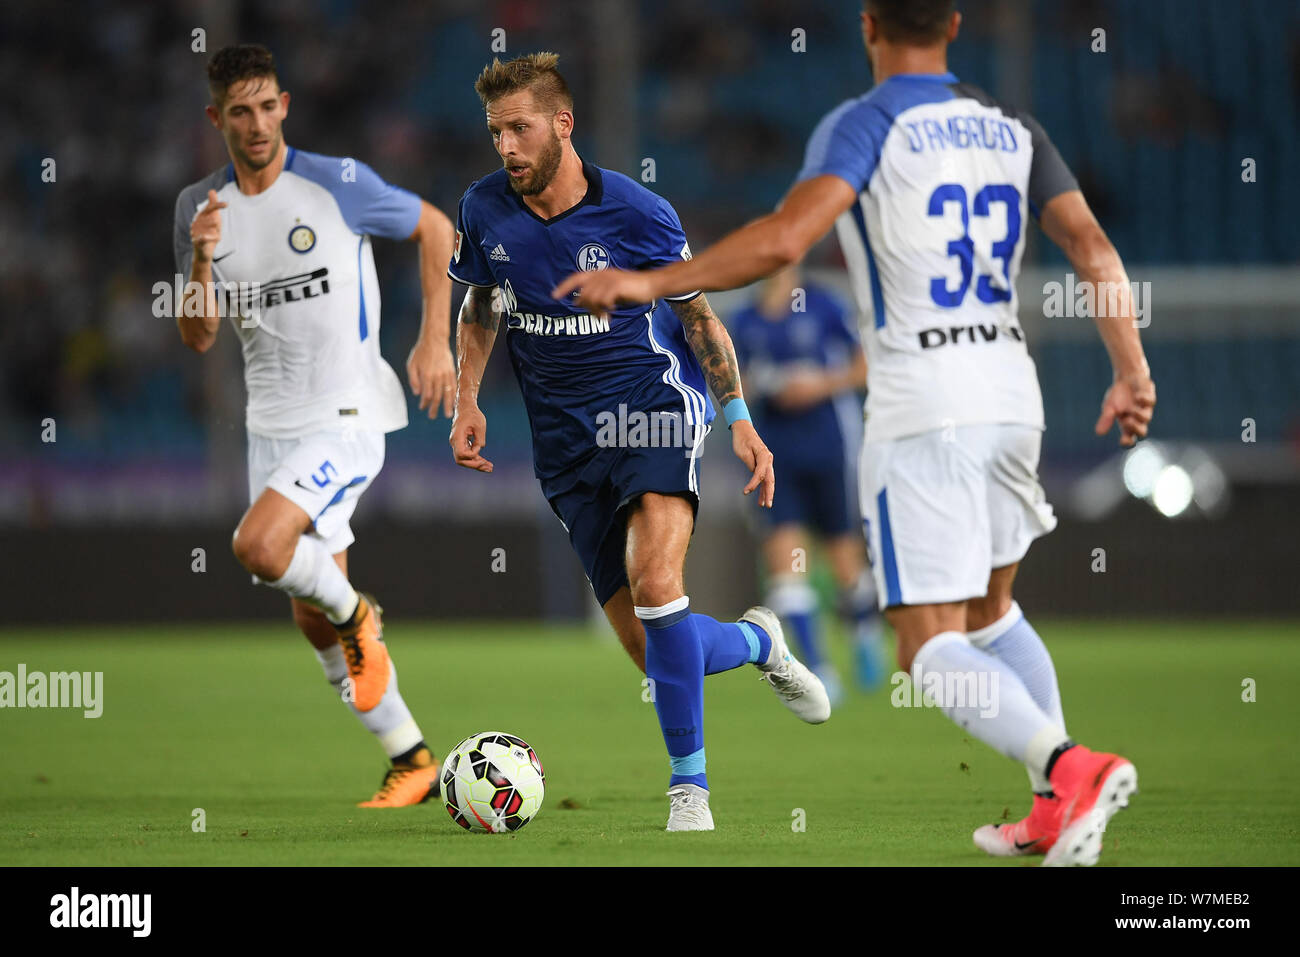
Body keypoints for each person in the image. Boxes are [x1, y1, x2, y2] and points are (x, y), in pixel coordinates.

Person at [553, 1, 1156, 865]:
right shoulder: (1012, 125)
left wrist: (652, 281)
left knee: (925, 643)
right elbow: (1093, 246)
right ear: (953, 23)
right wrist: (1131, 369)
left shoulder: (866, 122)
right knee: (992, 611)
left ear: (870, 25)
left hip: (922, 403)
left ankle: (1070, 764)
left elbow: (783, 239)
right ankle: (1054, 806)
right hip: (1013, 393)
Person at [447, 52, 830, 832]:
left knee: (658, 584)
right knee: (657, 651)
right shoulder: (483, 208)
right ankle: (759, 642)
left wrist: (740, 421)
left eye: (520, 128)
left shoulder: (636, 212)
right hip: (563, 448)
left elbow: (698, 319)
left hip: (650, 412)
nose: (507, 147)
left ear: (563, 123)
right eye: (495, 133)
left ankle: (689, 789)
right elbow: (483, 301)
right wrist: (466, 397)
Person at [173, 44, 457, 808]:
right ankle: (413, 757)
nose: (257, 123)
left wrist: (435, 340)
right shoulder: (198, 209)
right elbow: (198, 336)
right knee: (309, 613)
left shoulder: (338, 182)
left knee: (259, 546)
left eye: (268, 106)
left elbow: (436, 230)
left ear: (286, 105)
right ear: (216, 119)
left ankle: (359, 610)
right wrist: (200, 261)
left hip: (348, 412)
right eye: (240, 111)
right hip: (270, 427)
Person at [729, 264, 885, 698]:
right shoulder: (745, 320)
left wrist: (818, 385)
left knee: (843, 561)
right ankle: (818, 671)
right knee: (787, 567)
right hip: (774, 456)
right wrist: (762, 386)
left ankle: (863, 633)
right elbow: (728, 379)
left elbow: (864, 366)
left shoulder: (824, 306)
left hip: (831, 448)